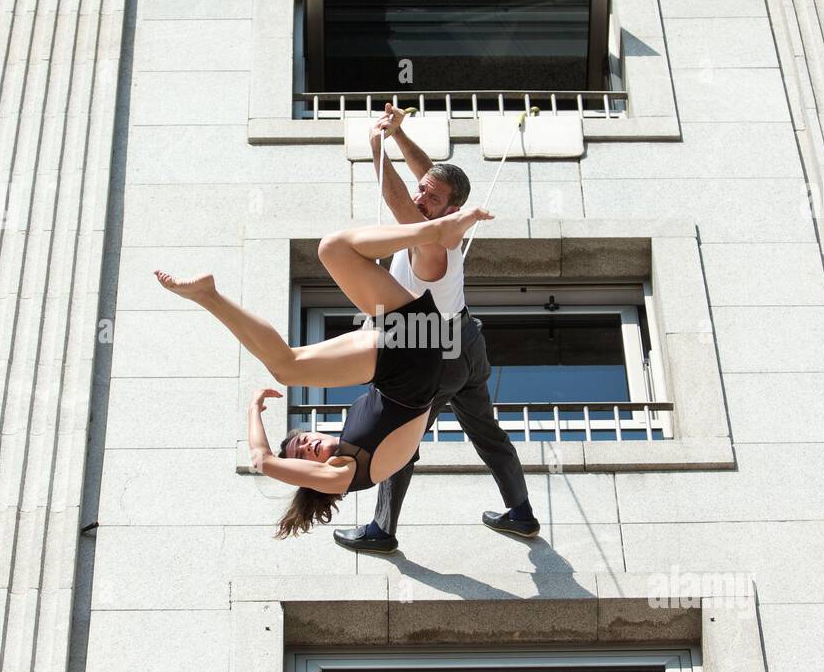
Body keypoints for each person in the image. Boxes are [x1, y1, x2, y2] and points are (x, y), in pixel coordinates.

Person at [153, 207, 490, 539]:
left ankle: (438, 230)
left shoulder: (351, 446)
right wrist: (252, 409)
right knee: (285, 368)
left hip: (419, 342)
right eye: (303, 454)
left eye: (303, 441)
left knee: (334, 249)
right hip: (411, 364)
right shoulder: (341, 476)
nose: (308, 444)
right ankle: (208, 296)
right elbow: (261, 458)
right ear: (308, 475)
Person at [332, 103, 540, 555]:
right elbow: (428, 176)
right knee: (486, 429)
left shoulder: (430, 244)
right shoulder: (441, 226)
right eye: (422, 193)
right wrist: (402, 138)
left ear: (453, 209)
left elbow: (399, 202)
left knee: (400, 437)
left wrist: (376, 147)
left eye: (431, 199)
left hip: (436, 353)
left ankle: (382, 531)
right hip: (467, 342)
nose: (421, 199)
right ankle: (521, 515)